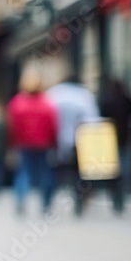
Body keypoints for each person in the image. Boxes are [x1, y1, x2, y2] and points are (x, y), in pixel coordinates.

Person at [46, 75, 99, 215]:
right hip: (80, 140)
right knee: (79, 172)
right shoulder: (84, 95)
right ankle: (79, 198)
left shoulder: (53, 94)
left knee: (57, 170)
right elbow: (93, 120)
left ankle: (50, 200)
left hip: (56, 140)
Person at [7, 70, 57, 215]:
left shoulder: (17, 103)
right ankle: (46, 204)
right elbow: (53, 124)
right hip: (44, 144)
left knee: (23, 172)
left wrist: (12, 144)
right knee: (45, 174)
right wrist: (54, 143)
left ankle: (21, 200)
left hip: (23, 145)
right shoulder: (46, 102)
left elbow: (12, 126)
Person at [99, 78, 131, 213]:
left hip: (111, 141)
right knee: (125, 169)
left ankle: (116, 196)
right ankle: (123, 193)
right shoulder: (127, 100)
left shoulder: (107, 102)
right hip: (125, 140)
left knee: (113, 170)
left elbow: (101, 120)